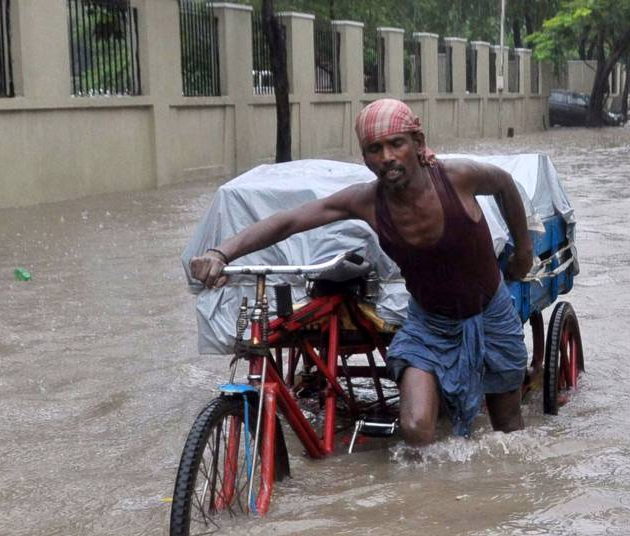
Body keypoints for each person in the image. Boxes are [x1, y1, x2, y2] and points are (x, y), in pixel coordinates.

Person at [189, 98, 534, 446]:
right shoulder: (367, 201)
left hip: (490, 313)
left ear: (418, 142)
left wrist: (523, 251)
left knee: (507, 427)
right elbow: (289, 221)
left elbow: (504, 184)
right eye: (374, 149)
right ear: (365, 158)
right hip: (429, 324)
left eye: (396, 144)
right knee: (415, 428)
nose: (387, 157)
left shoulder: (457, 177)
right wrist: (221, 252)